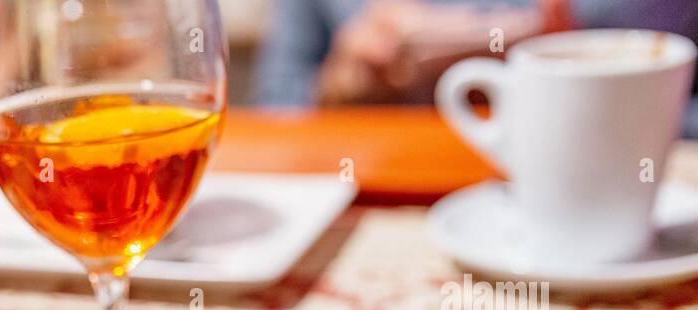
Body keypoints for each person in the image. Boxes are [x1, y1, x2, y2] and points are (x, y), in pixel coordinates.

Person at [256, 0, 698, 134]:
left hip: (611, 187)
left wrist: (560, 29)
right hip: (383, 188)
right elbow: (273, 107)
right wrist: (337, 91)